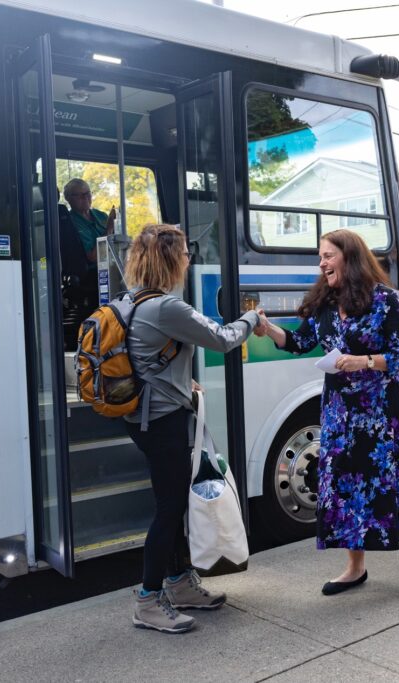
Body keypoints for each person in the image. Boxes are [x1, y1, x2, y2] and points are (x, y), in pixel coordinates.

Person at [256, 229, 399, 601]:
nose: (321, 263)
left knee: (391, 489)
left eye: (327, 256)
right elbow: (300, 342)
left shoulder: (385, 300)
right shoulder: (325, 300)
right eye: (320, 257)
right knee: (344, 490)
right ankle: (355, 567)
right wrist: (268, 328)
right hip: (340, 414)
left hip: (381, 413)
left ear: (349, 257)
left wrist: (364, 361)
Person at [122, 224, 264, 633]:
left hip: (147, 417)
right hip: (163, 421)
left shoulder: (132, 300)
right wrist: (251, 317)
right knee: (169, 510)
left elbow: (147, 360)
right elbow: (222, 339)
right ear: (171, 258)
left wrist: (183, 383)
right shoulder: (167, 307)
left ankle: (180, 583)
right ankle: (148, 601)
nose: (189, 259)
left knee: (175, 504)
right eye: (185, 253)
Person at [63, 177, 116, 267]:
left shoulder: (101, 215)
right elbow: (93, 257)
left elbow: (117, 243)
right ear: (68, 198)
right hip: (92, 273)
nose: (85, 197)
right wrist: (109, 229)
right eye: (79, 195)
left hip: (113, 264)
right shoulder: (70, 222)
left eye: (88, 193)